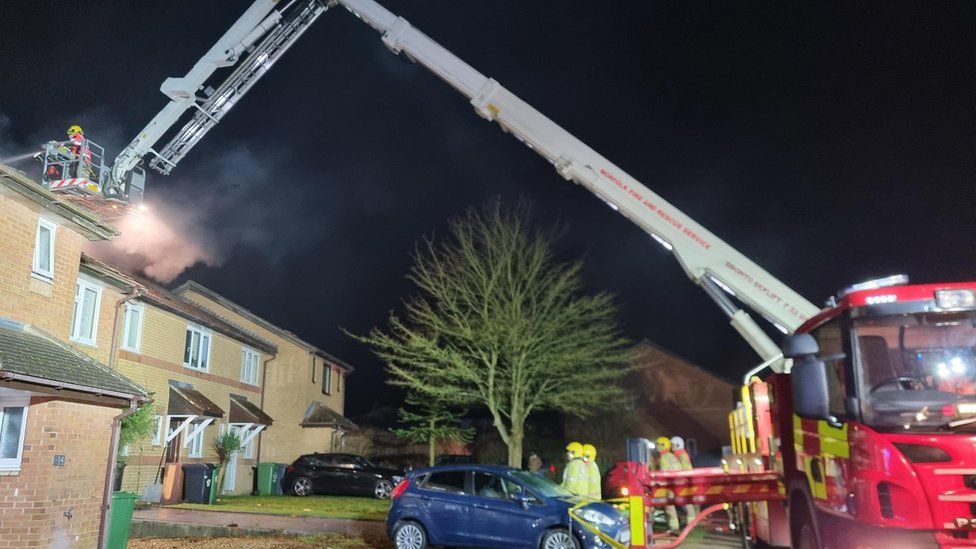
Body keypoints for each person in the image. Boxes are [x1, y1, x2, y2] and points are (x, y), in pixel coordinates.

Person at [656, 436, 682, 534]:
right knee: (671, 506)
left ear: (663, 445)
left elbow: (663, 473)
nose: (657, 447)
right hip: (676, 484)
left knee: (669, 506)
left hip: (669, 485)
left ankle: (674, 527)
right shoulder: (671, 455)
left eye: (658, 444)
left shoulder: (664, 457)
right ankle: (675, 526)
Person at [671, 436, 698, 524]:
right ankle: (689, 520)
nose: (672, 447)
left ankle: (691, 521)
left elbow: (685, 468)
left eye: (673, 445)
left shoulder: (681, 454)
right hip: (682, 480)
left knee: (686, 501)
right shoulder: (679, 454)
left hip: (683, 480)